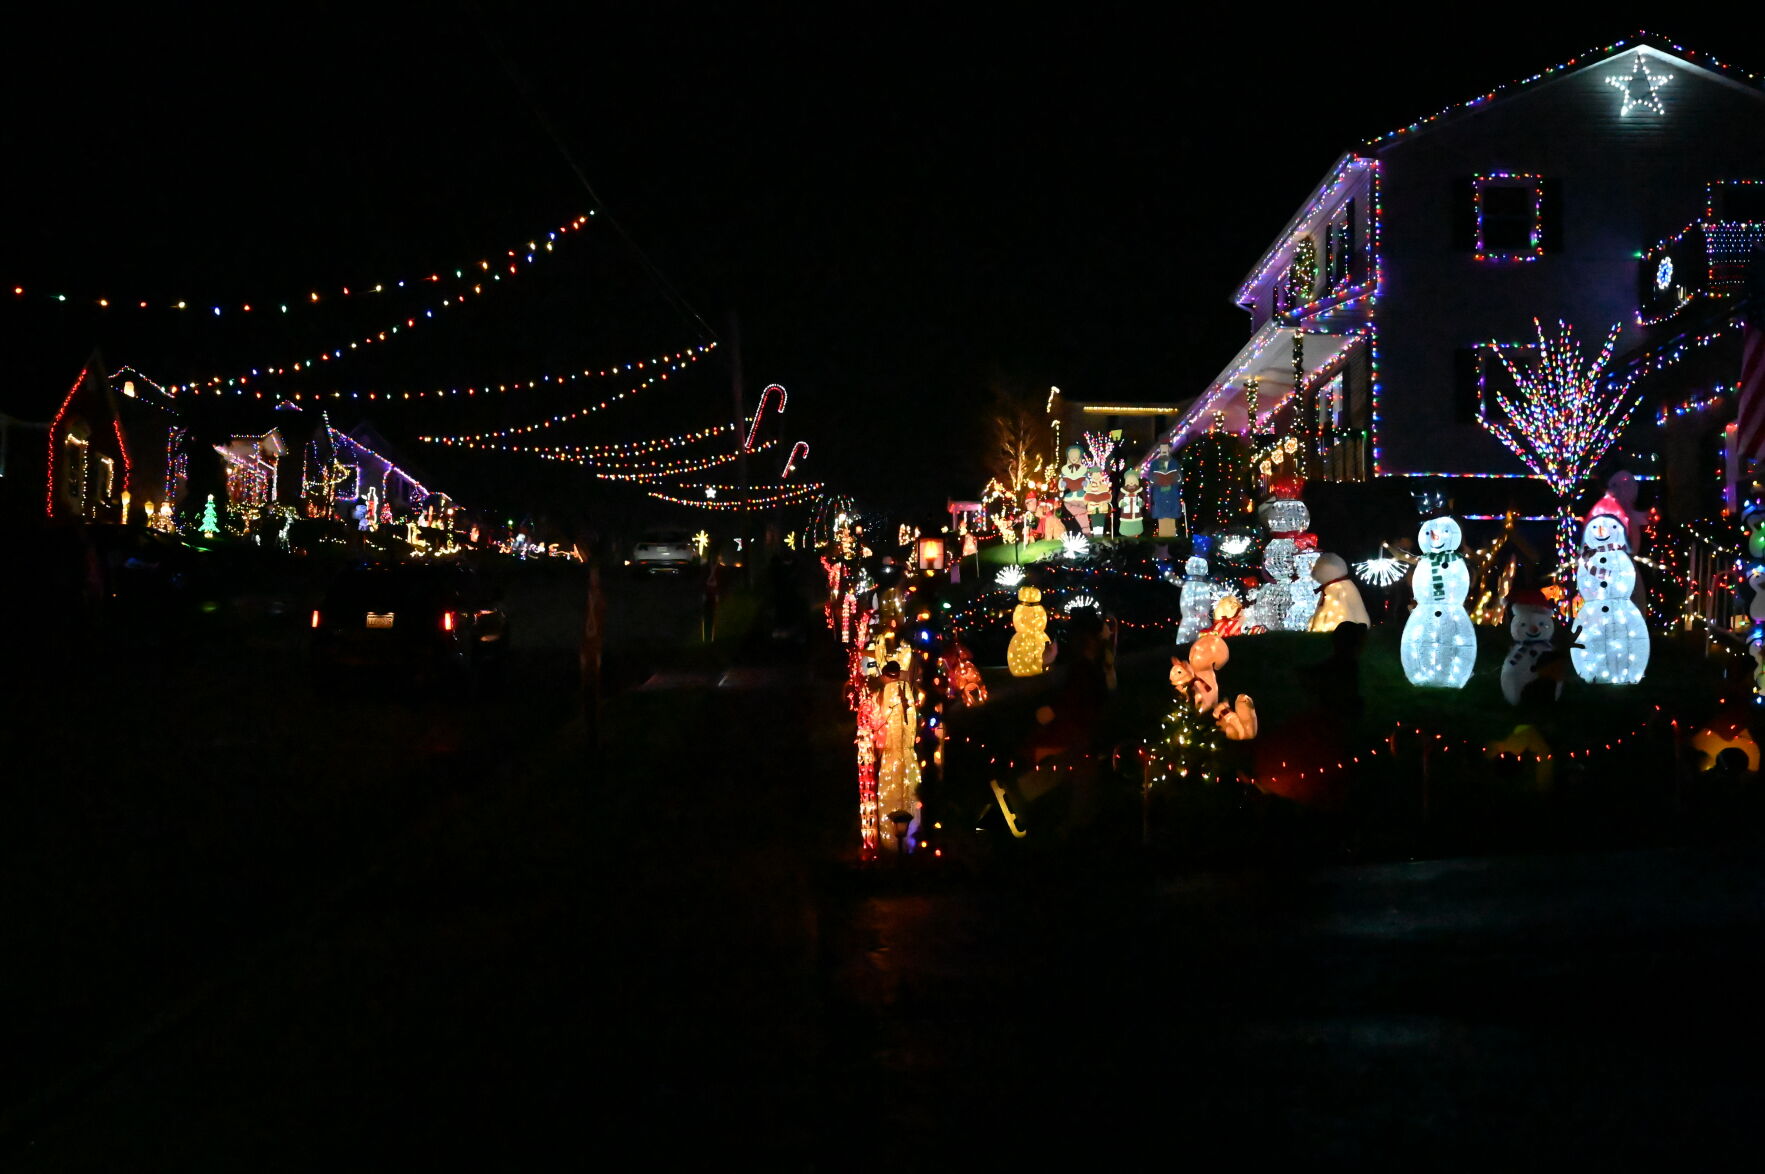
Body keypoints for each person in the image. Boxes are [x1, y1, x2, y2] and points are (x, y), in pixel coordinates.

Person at [580, 559, 608, 741]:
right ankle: (588, 727)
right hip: (587, 647)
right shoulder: (586, 597)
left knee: (594, 687)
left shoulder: (599, 598)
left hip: (594, 646)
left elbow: (599, 622)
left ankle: (594, 729)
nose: (594, 579)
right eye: (592, 576)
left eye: (596, 576)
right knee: (586, 687)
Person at [702, 549, 725, 642]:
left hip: (714, 592)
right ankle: (706, 636)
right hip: (707, 592)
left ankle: (713, 637)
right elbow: (702, 580)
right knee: (706, 615)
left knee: (714, 615)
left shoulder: (719, 568)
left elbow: (722, 581)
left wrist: (718, 593)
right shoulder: (706, 567)